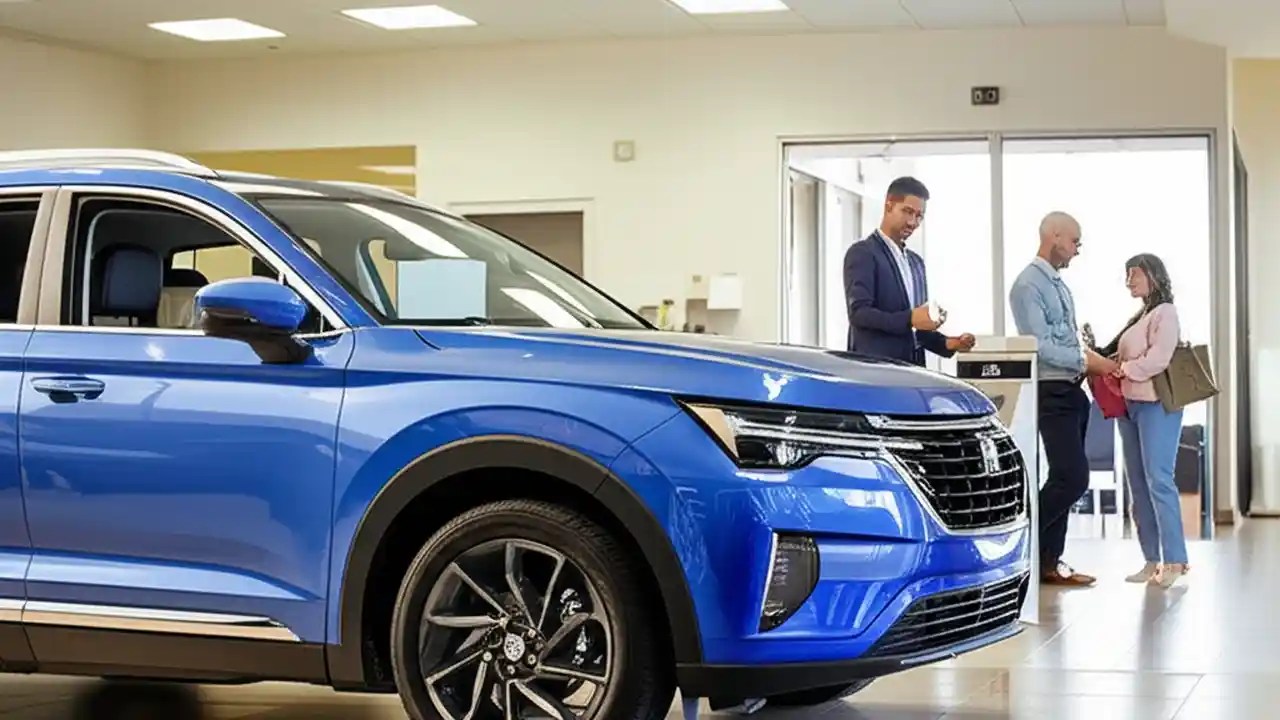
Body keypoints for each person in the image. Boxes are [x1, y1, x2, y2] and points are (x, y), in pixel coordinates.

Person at [1009, 211, 1118, 587]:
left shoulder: (1058, 285)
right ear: (1054, 236)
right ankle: (1019, 547)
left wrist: (1092, 360)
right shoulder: (1027, 285)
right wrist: (1088, 361)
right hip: (1052, 392)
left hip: (1072, 391)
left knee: (1062, 476)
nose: (1077, 250)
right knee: (1073, 478)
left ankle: (1049, 563)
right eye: (1074, 241)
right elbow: (1038, 345)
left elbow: (1066, 338)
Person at [1093, 253, 1189, 588]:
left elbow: (1159, 358)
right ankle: (1151, 560)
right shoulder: (1142, 315)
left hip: (1156, 406)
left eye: (1134, 274)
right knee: (1138, 484)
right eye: (1127, 275)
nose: (1128, 281)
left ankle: (1175, 560)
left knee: (1159, 480)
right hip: (1130, 406)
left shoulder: (1166, 313)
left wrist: (1125, 369)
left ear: (1153, 275)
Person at [843, 176, 975, 365]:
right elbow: (859, 314)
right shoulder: (863, 253)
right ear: (888, 206)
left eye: (919, 216)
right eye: (907, 212)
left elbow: (916, 330)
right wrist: (910, 318)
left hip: (912, 371)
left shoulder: (916, 263)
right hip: (876, 371)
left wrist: (948, 343)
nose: (913, 222)